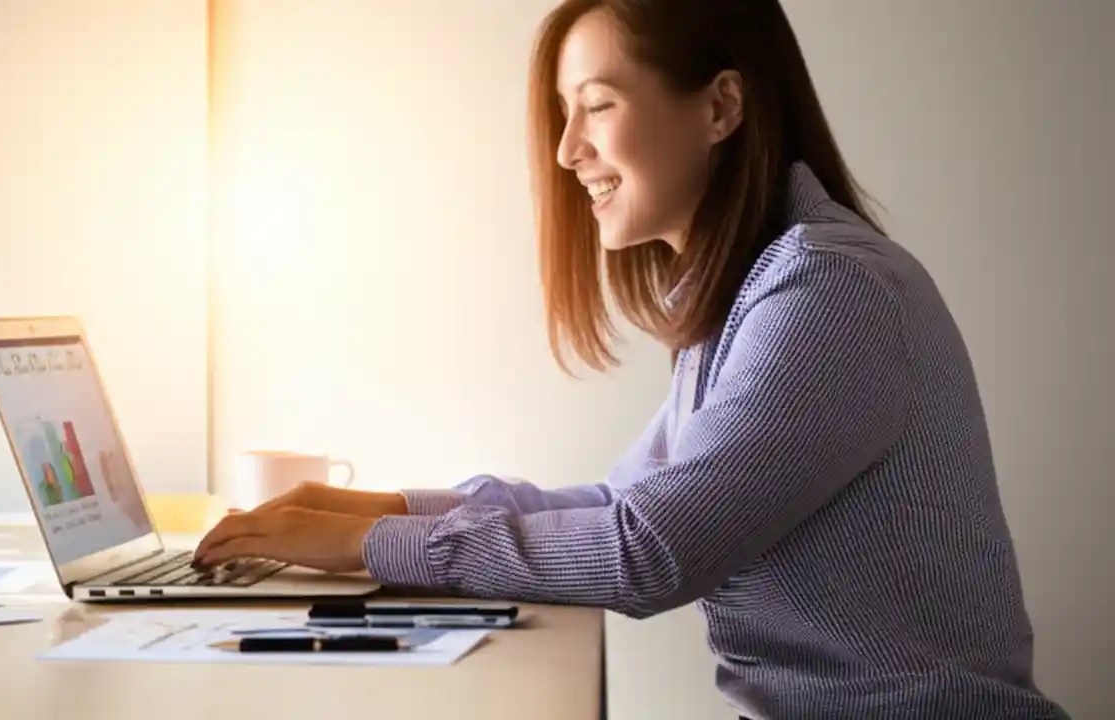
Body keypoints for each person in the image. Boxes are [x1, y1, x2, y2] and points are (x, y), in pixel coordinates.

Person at [194, 1, 1071, 717]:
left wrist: (374, 544)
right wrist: (380, 505)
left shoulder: (828, 293)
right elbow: (625, 504)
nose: (568, 149)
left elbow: (649, 552)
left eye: (598, 105)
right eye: (564, 114)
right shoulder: (757, 292)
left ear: (722, 107)